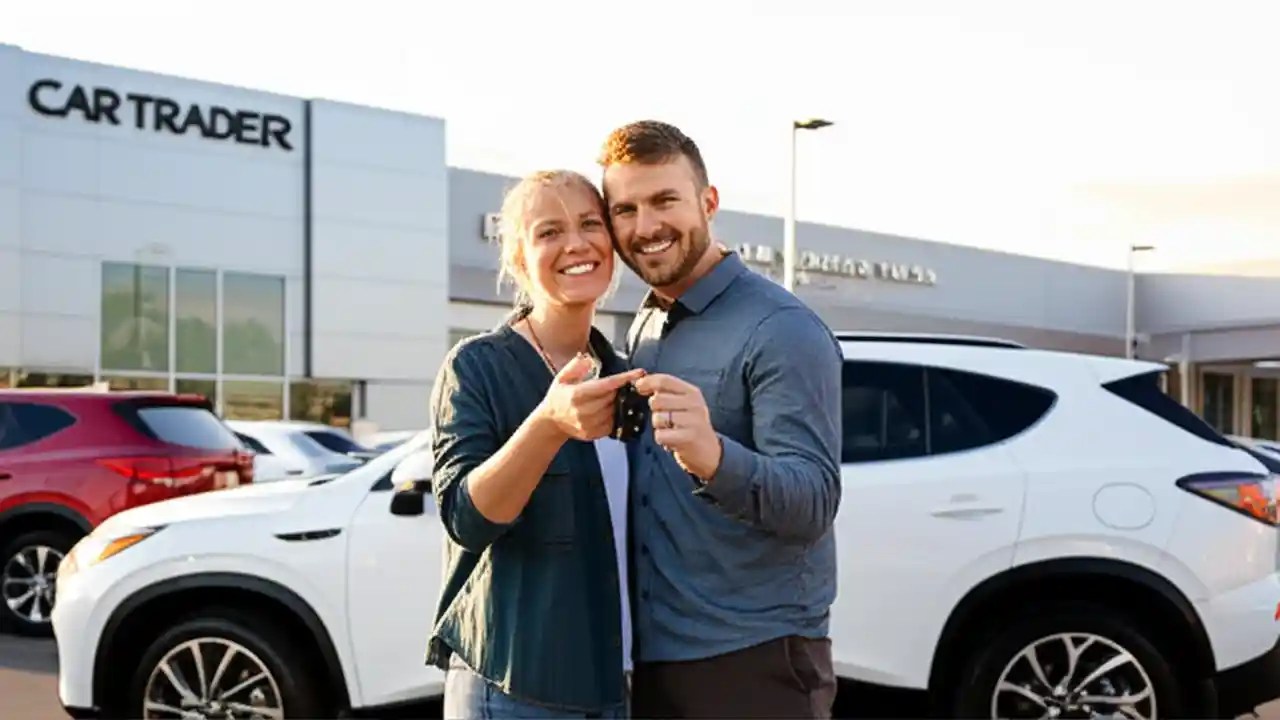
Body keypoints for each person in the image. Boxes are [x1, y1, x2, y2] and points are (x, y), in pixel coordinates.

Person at [596, 120, 844, 718]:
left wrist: (713, 456)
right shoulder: (649, 322)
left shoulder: (781, 329)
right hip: (655, 658)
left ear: (707, 202)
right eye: (624, 208)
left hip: (754, 662)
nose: (645, 226)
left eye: (664, 201)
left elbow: (813, 500)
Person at [426, 169, 646, 719]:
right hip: (514, 686)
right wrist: (547, 424)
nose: (575, 243)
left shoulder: (625, 375)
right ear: (520, 258)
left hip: (612, 685)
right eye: (549, 231)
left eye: (590, 224)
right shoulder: (476, 368)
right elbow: (467, 519)